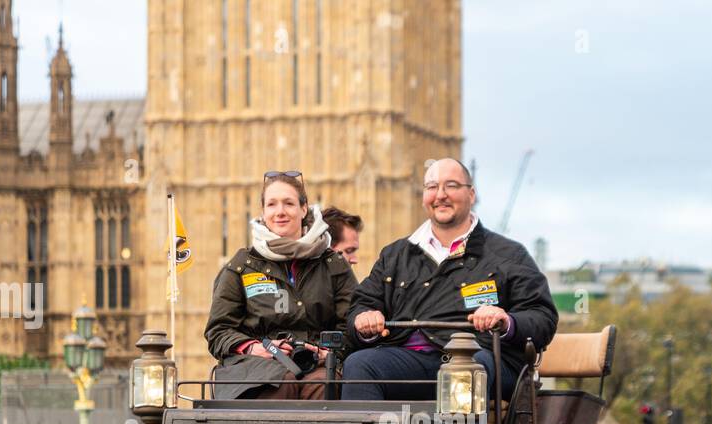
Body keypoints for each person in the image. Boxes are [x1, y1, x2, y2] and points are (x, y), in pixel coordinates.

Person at [339, 158, 558, 403]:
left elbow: (543, 318)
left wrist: (506, 321)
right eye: (432, 187)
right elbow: (360, 306)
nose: (440, 195)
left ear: (471, 194)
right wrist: (364, 319)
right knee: (360, 365)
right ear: (424, 196)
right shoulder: (395, 254)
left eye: (451, 186)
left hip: (479, 359)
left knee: (465, 368)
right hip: (408, 360)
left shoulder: (509, 255)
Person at [203, 171, 357, 399]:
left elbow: (351, 324)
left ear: (304, 209)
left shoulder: (333, 265)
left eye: (289, 203)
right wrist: (254, 347)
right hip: (255, 366)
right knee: (278, 383)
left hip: (318, 364)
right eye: (272, 204)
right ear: (263, 213)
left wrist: (328, 353)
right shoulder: (242, 266)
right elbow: (218, 331)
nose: (280, 212)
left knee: (322, 385)